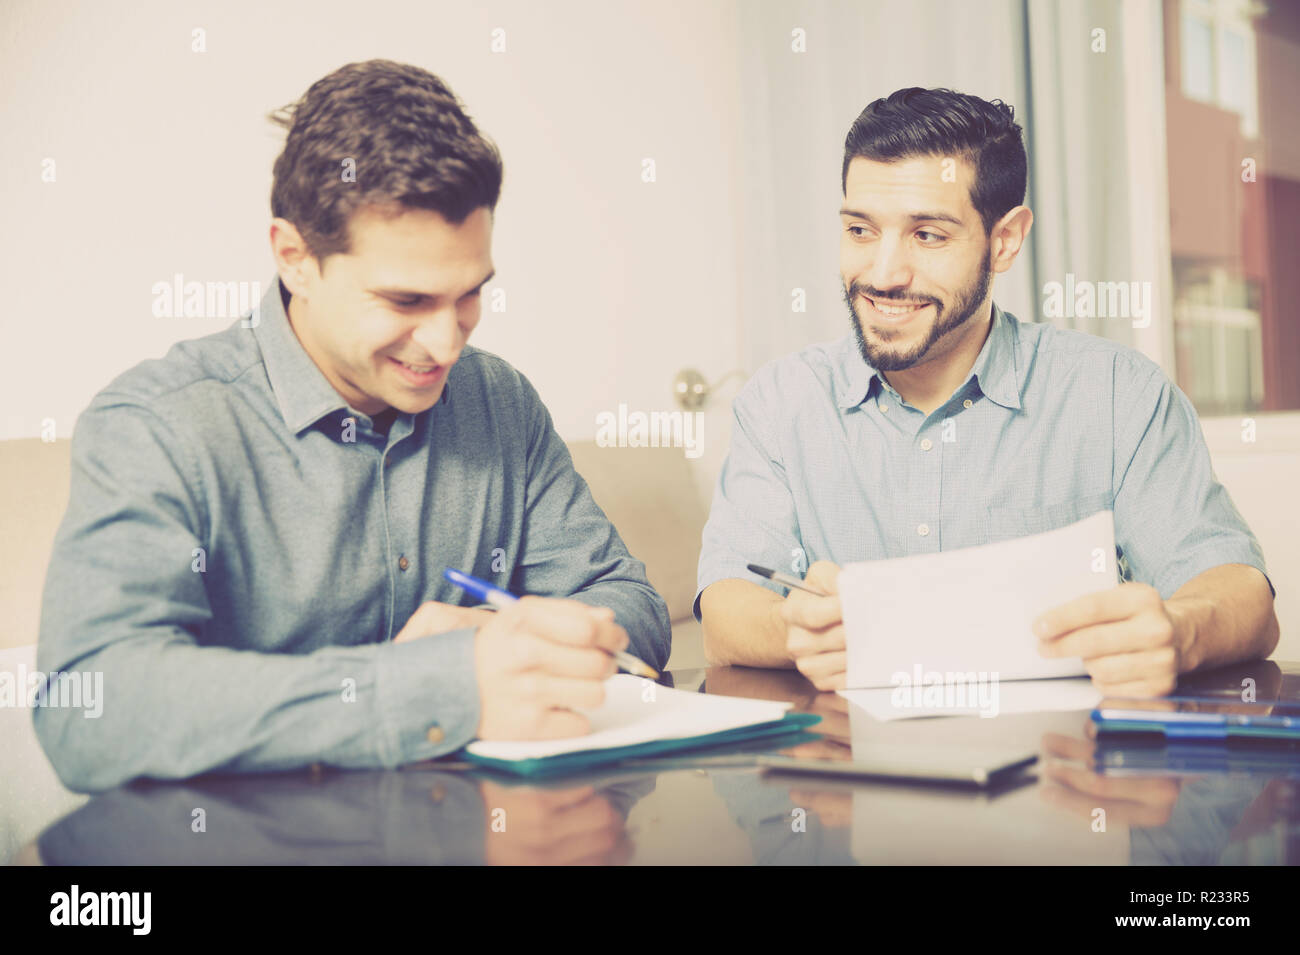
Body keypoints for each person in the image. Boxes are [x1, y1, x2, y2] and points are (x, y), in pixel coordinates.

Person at [35, 60, 670, 793]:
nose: (447, 342)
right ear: (296, 258)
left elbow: (626, 601)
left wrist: (511, 645)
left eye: (469, 295)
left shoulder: (500, 402)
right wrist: (432, 687)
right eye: (406, 300)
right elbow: (90, 704)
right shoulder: (156, 425)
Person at [696, 87, 1276, 696]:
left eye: (927, 236)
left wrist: (1180, 630)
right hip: (850, 769)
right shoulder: (780, 402)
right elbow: (726, 613)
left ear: (1004, 240)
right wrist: (791, 629)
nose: (883, 274)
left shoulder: (1116, 395)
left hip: (1064, 772)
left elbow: (1244, 602)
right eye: (861, 230)